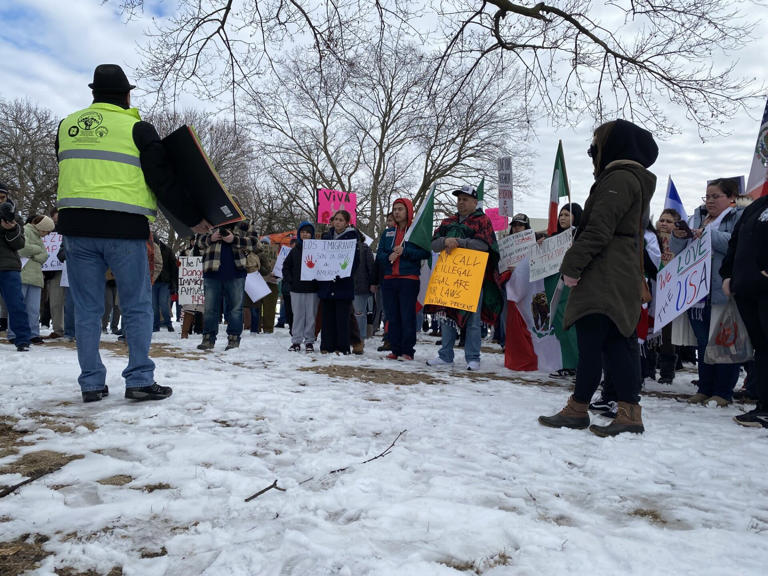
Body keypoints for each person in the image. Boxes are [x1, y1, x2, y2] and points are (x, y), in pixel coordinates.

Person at [56, 64, 211, 402]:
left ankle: (91, 383)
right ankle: (139, 378)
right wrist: (193, 218)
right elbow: (163, 180)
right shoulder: (138, 128)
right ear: (127, 95)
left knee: (87, 309)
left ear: (94, 93)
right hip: (124, 229)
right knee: (137, 306)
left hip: (76, 230)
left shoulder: (66, 126)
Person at [538, 119, 659, 436]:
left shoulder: (618, 178)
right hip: (619, 271)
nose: (593, 154)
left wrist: (571, 265)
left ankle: (583, 410)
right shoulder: (631, 179)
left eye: (596, 148)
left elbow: (598, 229)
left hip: (604, 273)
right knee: (615, 342)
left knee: (595, 342)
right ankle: (620, 412)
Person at [670, 178, 743, 406]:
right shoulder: (697, 217)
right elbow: (676, 251)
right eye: (707, 196)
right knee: (703, 343)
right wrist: (678, 237)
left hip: (721, 288)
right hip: (696, 291)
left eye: (715, 196)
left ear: (731, 198)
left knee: (724, 343)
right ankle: (705, 387)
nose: (710, 201)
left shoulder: (737, 217)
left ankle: (723, 392)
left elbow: (736, 243)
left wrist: (706, 234)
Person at [426, 185, 501, 371]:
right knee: (447, 319)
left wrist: (459, 242)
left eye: (465, 199)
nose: (461, 202)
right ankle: (445, 355)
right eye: (459, 199)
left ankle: (473, 357)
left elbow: (485, 245)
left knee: (474, 320)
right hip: (449, 278)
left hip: (472, 279)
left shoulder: (482, 220)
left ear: (475, 202)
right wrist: (445, 241)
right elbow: (434, 244)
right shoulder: (447, 222)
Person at [721, 191, 768, 427]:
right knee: (761, 346)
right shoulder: (757, 206)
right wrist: (727, 273)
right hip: (746, 287)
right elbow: (735, 240)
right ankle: (763, 404)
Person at [376, 198, 430, 361]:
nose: (397, 212)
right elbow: (379, 255)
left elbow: (424, 253)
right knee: (392, 315)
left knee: (407, 315)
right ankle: (395, 348)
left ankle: (407, 350)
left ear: (408, 211)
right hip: (389, 279)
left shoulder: (415, 233)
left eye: (400, 209)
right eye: (395, 209)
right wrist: (388, 256)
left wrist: (405, 251)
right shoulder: (387, 233)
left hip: (408, 278)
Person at [196, 218, 260, 351]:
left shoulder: (245, 224)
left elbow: (255, 243)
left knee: (236, 309)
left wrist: (234, 240)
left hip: (236, 272)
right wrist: (211, 238)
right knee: (209, 309)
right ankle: (208, 338)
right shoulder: (209, 222)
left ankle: (234, 339)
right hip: (212, 271)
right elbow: (198, 241)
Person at [545, 203, 583, 378]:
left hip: (573, 286)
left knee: (570, 324)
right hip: (555, 285)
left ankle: (580, 365)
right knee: (559, 324)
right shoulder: (554, 238)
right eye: (561, 214)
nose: (562, 218)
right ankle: (568, 364)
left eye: (567, 214)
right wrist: (541, 243)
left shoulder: (580, 236)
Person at [8, 215, 55, 345]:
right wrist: (37, 250)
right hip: (22, 274)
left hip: (36, 276)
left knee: (33, 309)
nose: (47, 234)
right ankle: (14, 334)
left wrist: (34, 252)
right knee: (17, 307)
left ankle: (33, 334)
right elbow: (22, 249)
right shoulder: (24, 230)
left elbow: (44, 256)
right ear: (41, 227)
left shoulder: (38, 237)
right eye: (47, 231)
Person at [318, 210, 359, 354]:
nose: (338, 222)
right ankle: (326, 346)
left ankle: (342, 347)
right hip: (327, 284)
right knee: (327, 317)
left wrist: (344, 273)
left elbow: (355, 262)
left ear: (347, 223)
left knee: (342, 318)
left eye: (341, 220)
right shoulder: (326, 237)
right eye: (336, 219)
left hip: (343, 284)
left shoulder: (352, 239)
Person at [0, 183, 31, 351]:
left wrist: (11, 229)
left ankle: (23, 339)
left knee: (16, 304)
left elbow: (19, 244)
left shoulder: (15, 218)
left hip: (8, 266)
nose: (0, 201)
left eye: (2, 197)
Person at [283, 221, 319, 351]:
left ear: (312, 235)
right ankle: (296, 340)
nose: (305, 235)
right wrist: (291, 280)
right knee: (298, 316)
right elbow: (286, 267)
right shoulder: (295, 250)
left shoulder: (317, 249)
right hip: (296, 289)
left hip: (312, 289)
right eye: (303, 232)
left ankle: (309, 341)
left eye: (308, 233)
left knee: (311, 316)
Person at [152, 233, 177, 332]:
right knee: (154, 305)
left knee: (163, 304)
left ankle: (168, 323)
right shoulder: (149, 249)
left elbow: (174, 267)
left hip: (164, 281)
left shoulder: (167, 250)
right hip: (153, 281)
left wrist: (173, 282)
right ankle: (156, 325)